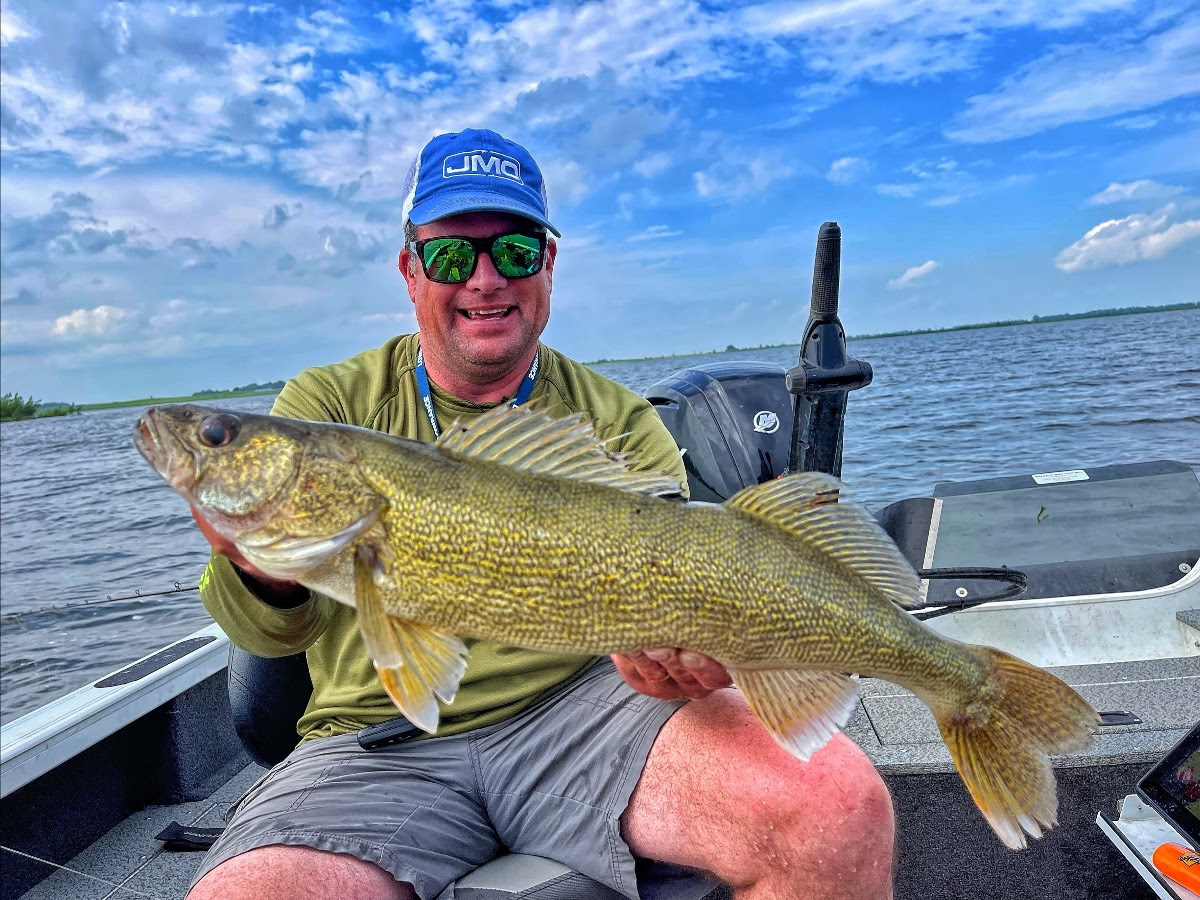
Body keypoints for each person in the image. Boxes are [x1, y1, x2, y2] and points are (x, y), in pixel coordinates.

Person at [187, 128, 895, 900]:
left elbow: (674, 596)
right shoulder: (328, 407)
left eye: (516, 252)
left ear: (548, 265)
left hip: (590, 712)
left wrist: (695, 662)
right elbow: (266, 635)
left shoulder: (618, 420)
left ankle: (954, 681)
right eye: (454, 256)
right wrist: (262, 571)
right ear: (410, 270)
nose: (485, 280)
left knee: (835, 807)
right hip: (374, 742)